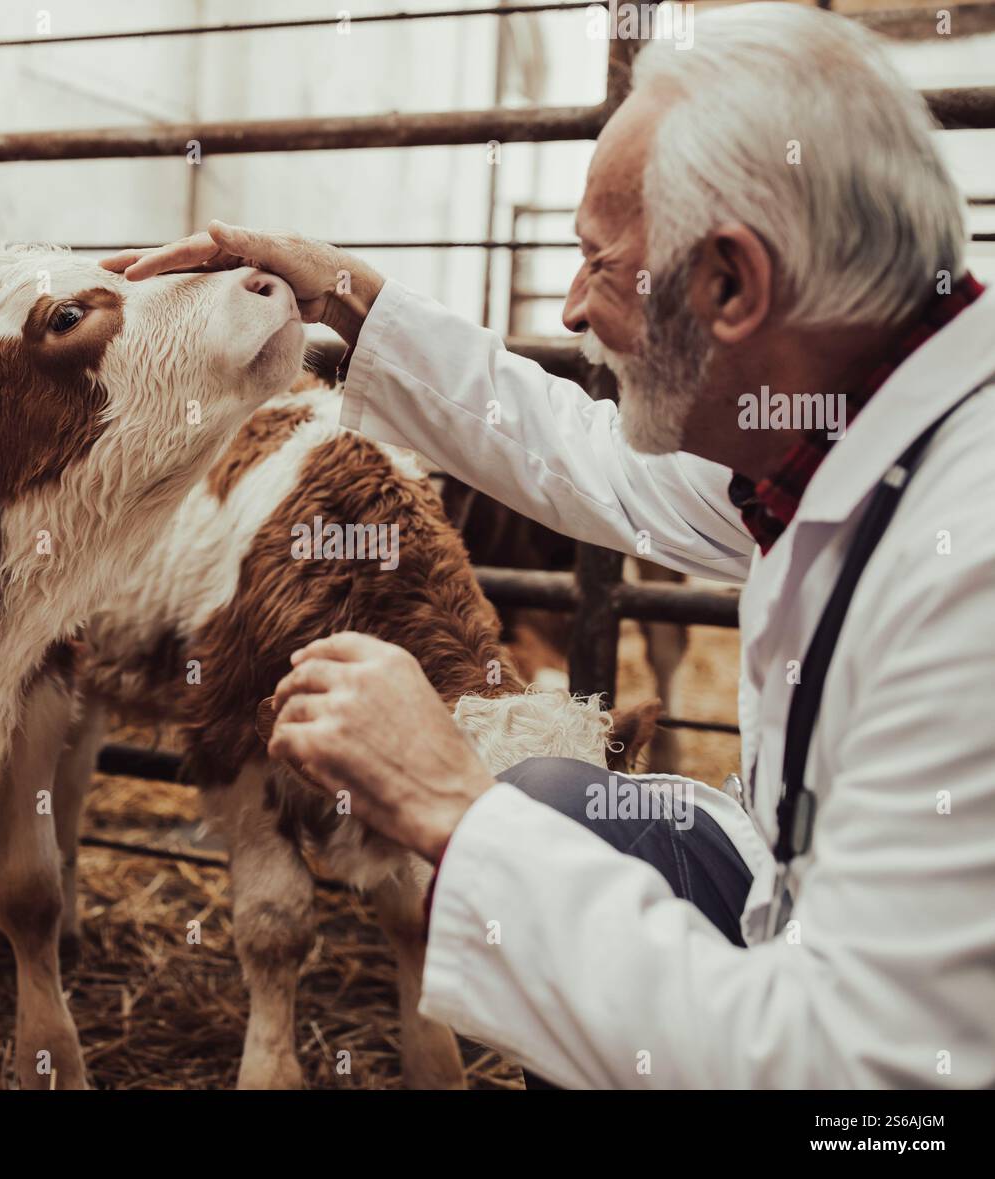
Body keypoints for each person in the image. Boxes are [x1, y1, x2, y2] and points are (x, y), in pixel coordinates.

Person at [100, 4, 995, 1087]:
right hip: (798, 922)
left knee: (523, 822)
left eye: (597, 263)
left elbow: (873, 1082)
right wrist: (346, 291)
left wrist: (450, 808)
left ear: (729, 284)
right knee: (564, 808)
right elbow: (589, 459)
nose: (569, 309)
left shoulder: (966, 573)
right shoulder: (844, 434)